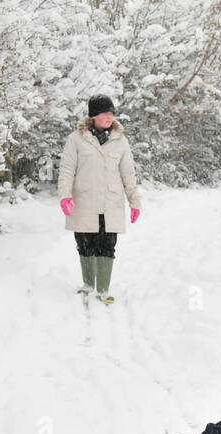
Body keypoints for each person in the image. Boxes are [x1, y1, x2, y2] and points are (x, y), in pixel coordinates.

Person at [58, 94, 142, 305]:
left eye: (111, 113)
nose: (109, 117)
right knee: (85, 243)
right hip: (85, 200)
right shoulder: (76, 139)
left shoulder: (120, 141)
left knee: (107, 244)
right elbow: (67, 170)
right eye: (105, 113)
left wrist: (134, 202)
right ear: (94, 115)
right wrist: (65, 196)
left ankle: (103, 290)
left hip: (110, 202)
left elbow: (128, 174)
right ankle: (88, 285)